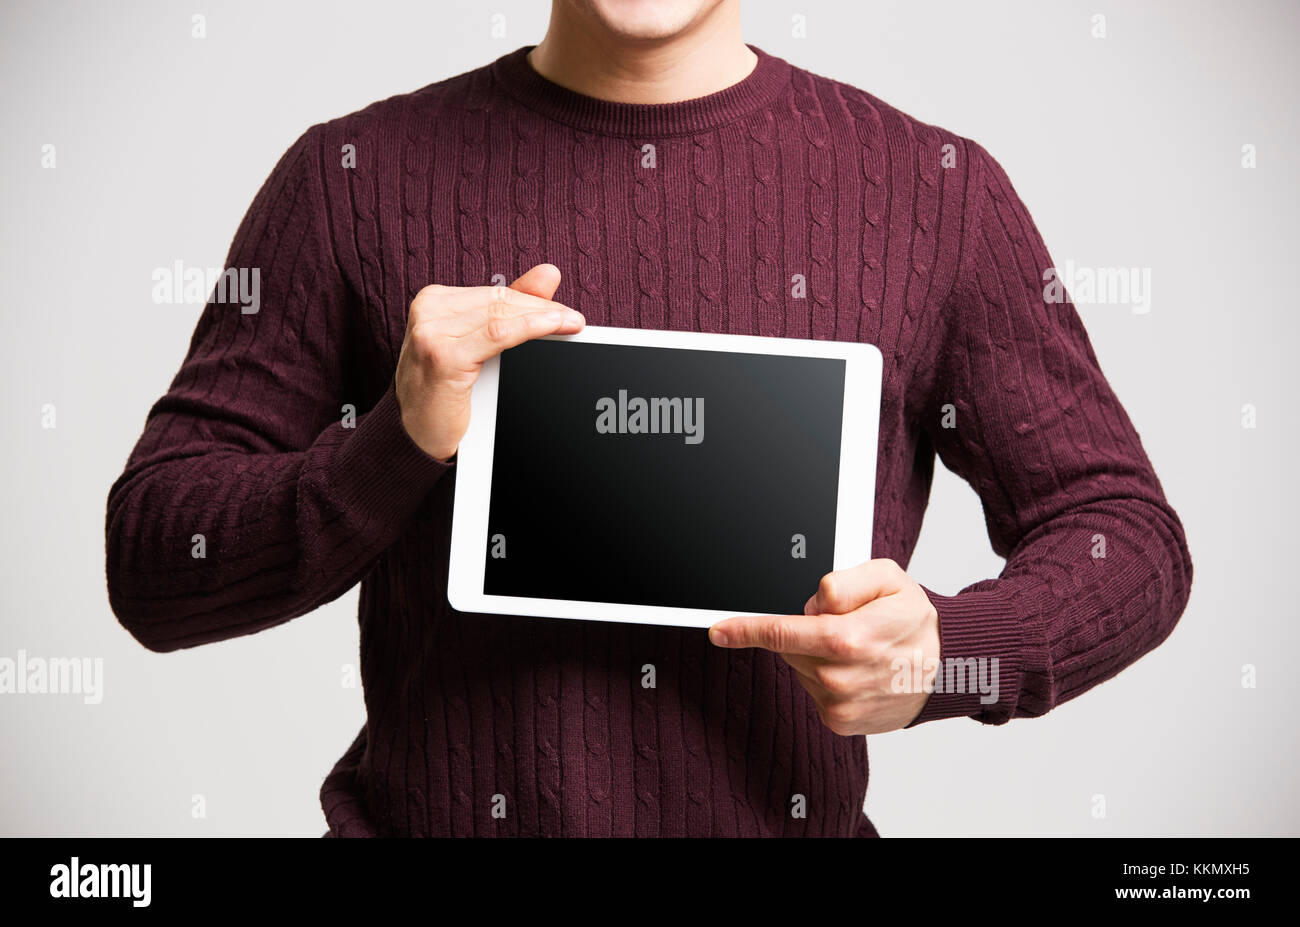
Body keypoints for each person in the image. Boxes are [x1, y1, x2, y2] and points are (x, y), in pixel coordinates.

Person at [105, 0, 1193, 836]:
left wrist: (953, 654)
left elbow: (1127, 537)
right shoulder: (347, 178)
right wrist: (399, 440)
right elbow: (155, 562)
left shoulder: (937, 191)